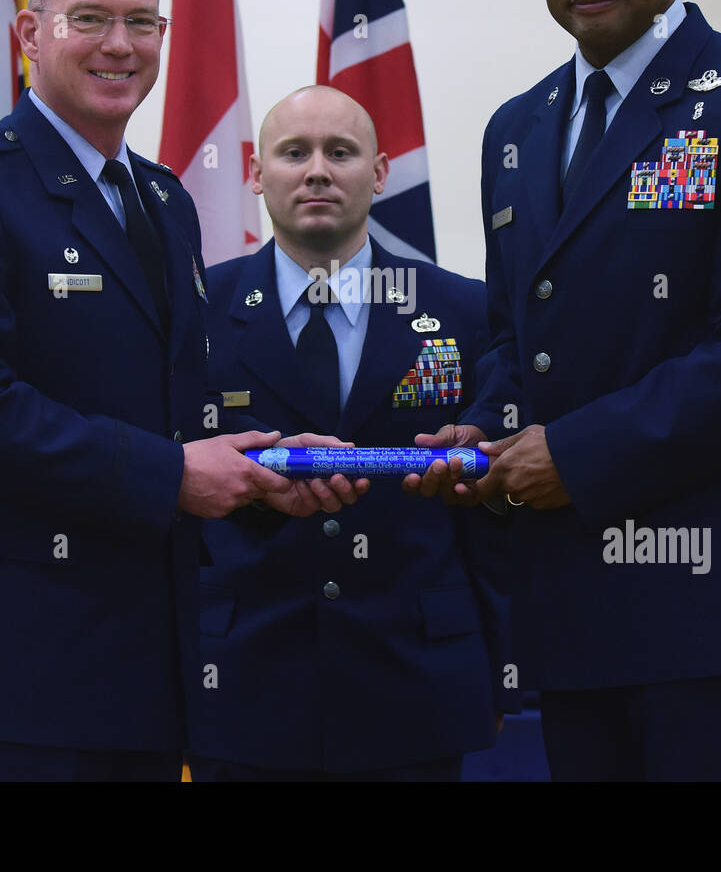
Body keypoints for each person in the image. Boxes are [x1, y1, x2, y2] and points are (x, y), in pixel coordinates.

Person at [0, 0, 353, 782]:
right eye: (90, 17)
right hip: (9, 681)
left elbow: (176, 416)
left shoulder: (164, 202)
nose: (120, 44)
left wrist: (261, 472)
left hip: (147, 677)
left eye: (142, 21)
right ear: (30, 33)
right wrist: (174, 475)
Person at [407, 0, 721, 781]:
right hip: (572, 612)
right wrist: (485, 428)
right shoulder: (516, 129)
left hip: (716, 616)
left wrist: (573, 454)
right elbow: (516, 339)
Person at [187, 85, 517, 781]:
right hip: (240, 688)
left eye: (340, 152)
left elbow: (490, 517)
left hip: (418, 684)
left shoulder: (464, 309)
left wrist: (500, 664)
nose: (317, 171)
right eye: (294, 153)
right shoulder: (196, 315)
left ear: (380, 172)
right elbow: (173, 495)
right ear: (256, 173)